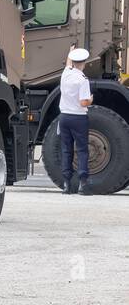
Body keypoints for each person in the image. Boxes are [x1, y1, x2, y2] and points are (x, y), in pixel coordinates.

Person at [59, 47, 94, 195]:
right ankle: (82, 184)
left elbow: (68, 63)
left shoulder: (66, 74)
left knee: (66, 150)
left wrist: (70, 51)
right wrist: (91, 99)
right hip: (78, 118)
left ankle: (67, 185)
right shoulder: (83, 80)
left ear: (73, 62)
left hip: (64, 117)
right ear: (84, 63)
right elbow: (83, 103)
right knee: (82, 150)